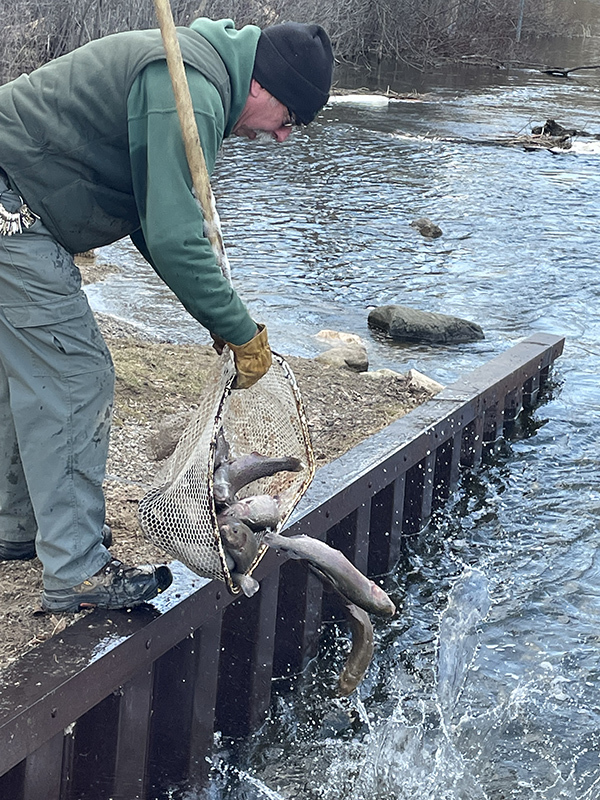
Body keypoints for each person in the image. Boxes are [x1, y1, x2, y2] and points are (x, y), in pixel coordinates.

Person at [0, 18, 334, 612]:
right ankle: (77, 573)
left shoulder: (197, 78)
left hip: (23, 197)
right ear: (263, 87)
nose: (283, 137)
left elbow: (154, 222)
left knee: (30, 372)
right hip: (13, 204)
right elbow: (176, 238)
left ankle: (18, 530)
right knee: (74, 377)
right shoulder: (186, 89)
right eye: (290, 120)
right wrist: (240, 329)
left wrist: (213, 311)